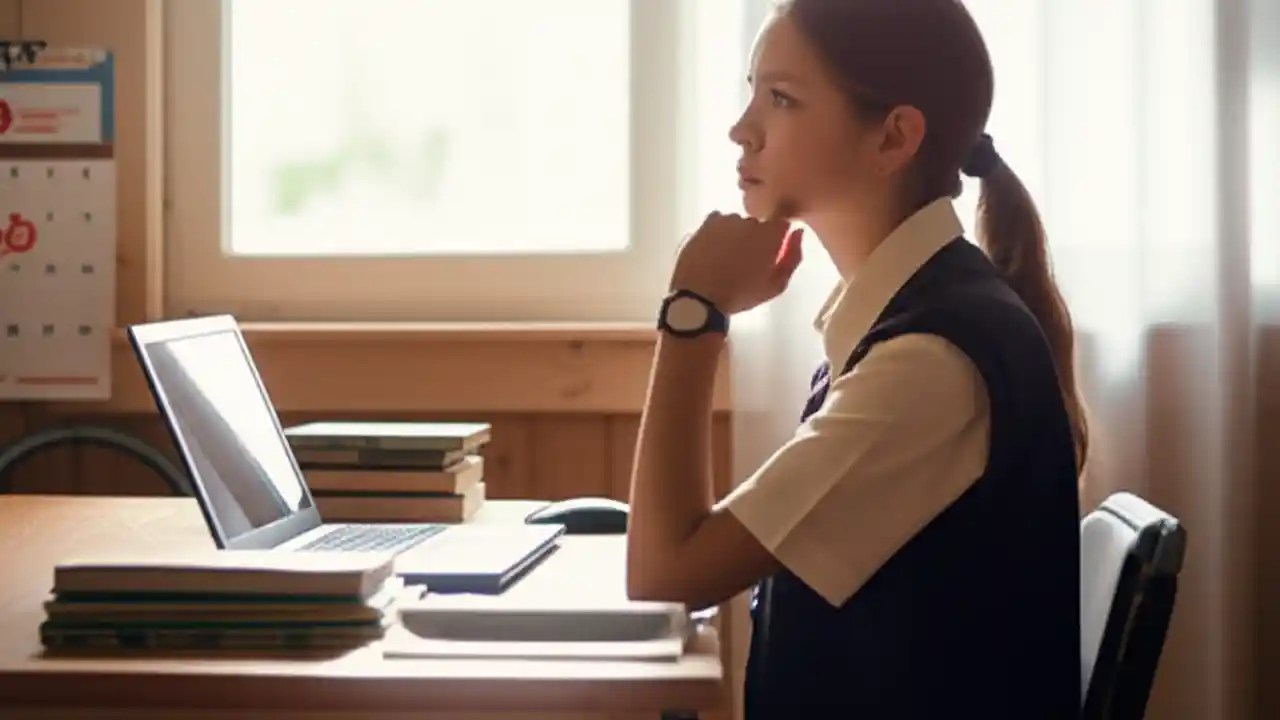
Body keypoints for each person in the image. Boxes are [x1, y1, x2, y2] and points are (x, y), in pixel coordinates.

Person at [625, 1, 1088, 717]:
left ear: (894, 138)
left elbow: (667, 573)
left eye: (780, 98)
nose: (741, 128)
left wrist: (694, 310)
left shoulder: (929, 365)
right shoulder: (908, 324)